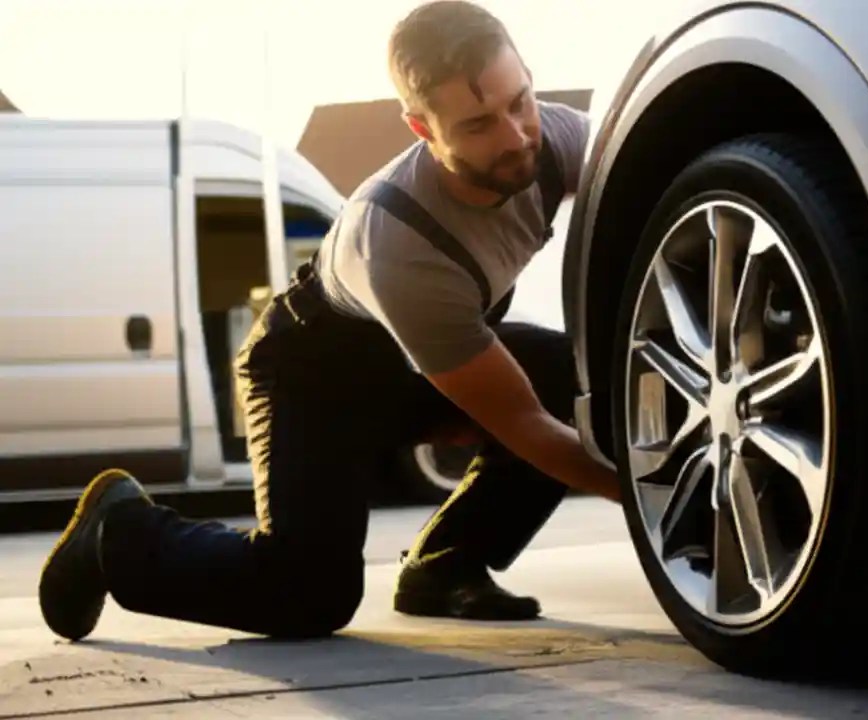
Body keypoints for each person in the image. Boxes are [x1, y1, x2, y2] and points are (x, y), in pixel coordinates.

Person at [38, 0, 620, 643]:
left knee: (584, 377)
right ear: (422, 129)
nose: (515, 136)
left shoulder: (557, 140)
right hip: (310, 376)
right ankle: (118, 530)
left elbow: (652, 180)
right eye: (478, 123)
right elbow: (523, 424)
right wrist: (653, 502)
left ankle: (446, 565)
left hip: (408, 363)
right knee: (308, 594)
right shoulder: (401, 244)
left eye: (520, 101)